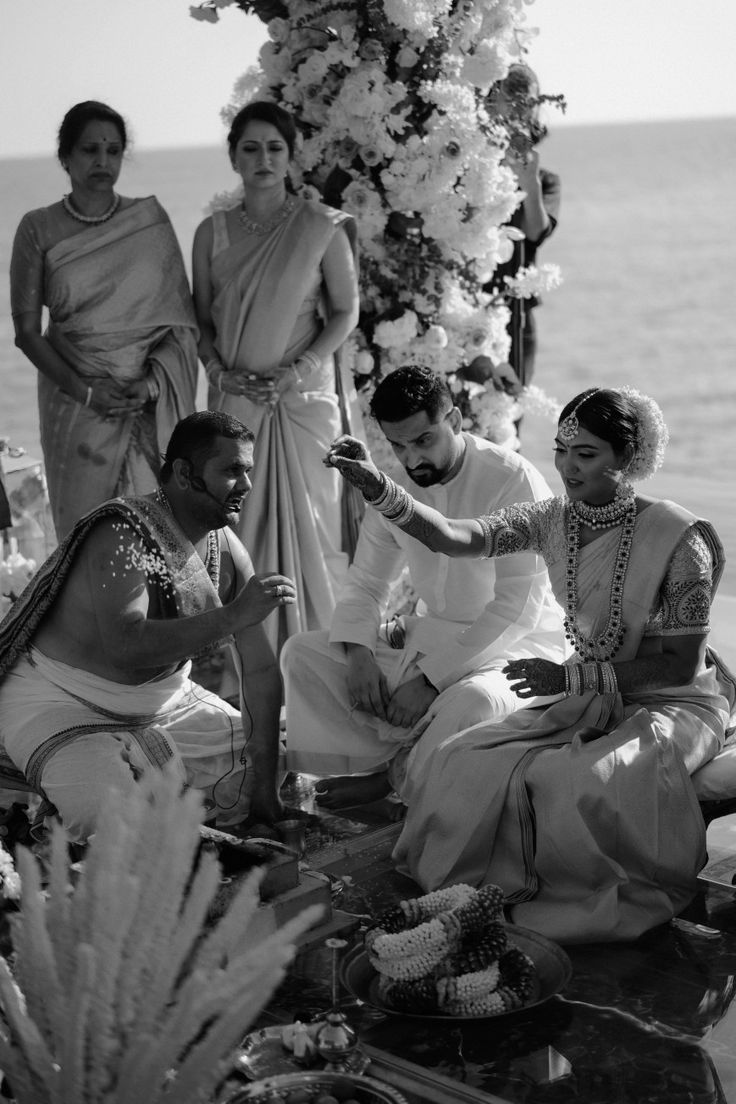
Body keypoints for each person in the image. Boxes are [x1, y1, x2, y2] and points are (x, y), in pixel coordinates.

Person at [325, 387, 736, 943]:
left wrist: (571, 678)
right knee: (462, 756)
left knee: (582, 781)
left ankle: (562, 902)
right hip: (584, 688)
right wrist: (379, 487)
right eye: (561, 449)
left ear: (627, 457)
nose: (567, 466)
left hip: (673, 705)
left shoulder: (680, 541)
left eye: (586, 454)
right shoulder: (551, 520)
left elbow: (680, 668)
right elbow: (454, 538)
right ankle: (481, 894)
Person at [0, 411, 298, 844]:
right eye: (232, 471)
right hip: (62, 703)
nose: (247, 486)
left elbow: (261, 672)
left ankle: (156, 800)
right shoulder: (122, 533)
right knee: (106, 814)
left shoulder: (226, 549)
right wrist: (233, 616)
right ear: (183, 472)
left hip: (168, 705)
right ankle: (59, 819)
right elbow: (127, 645)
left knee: (282, 756)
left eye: (247, 470)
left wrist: (266, 791)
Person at [283, 366, 566, 809]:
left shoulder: (512, 478)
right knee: (301, 653)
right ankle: (358, 762)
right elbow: (367, 582)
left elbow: (518, 607)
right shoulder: (393, 490)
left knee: (471, 701)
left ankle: (394, 780)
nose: (412, 459)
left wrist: (432, 681)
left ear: (453, 421)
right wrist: (358, 653)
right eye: (398, 445)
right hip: (432, 637)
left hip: (518, 646)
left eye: (423, 441)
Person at [192, 100, 361, 653]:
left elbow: (344, 312)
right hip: (236, 407)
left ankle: (320, 664)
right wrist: (220, 372)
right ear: (233, 158)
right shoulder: (211, 234)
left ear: (291, 156)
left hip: (302, 404)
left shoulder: (320, 227)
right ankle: (252, 669)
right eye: (250, 148)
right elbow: (200, 319)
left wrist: (296, 371)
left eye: (275, 148)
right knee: (238, 534)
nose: (263, 158)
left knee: (315, 531)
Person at [10, 101, 198, 541]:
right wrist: (88, 392)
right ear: (65, 157)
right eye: (90, 149)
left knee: (160, 540)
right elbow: (25, 333)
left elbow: (180, 327)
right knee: (87, 538)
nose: (103, 161)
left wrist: (151, 386)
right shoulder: (37, 229)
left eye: (113, 151)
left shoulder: (148, 222)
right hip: (74, 405)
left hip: (145, 404)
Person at [467, 64, 560, 401]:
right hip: (468, 304)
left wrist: (529, 184)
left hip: (517, 313)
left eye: (526, 105)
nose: (518, 113)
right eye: (510, 103)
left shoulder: (545, 179)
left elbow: (536, 233)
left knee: (508, 410)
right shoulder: (474, 169)